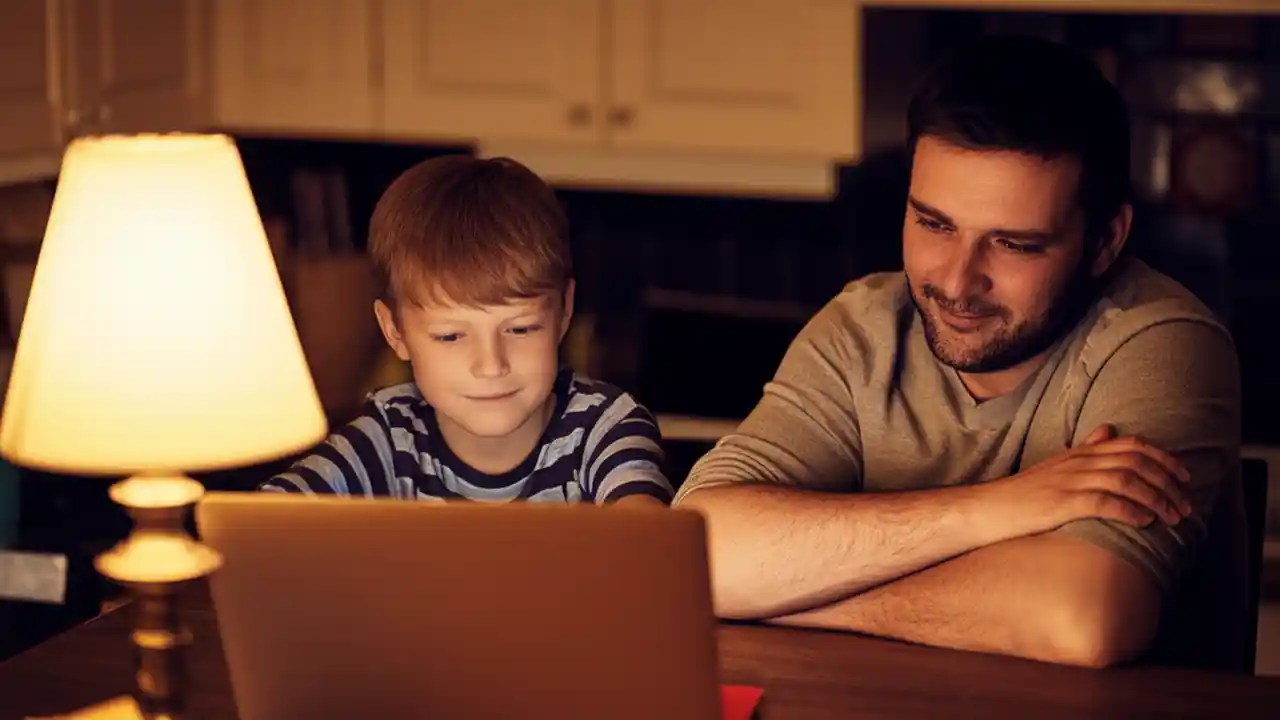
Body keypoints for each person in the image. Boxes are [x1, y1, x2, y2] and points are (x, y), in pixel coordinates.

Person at [674, 36, 1246, 669]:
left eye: (1014, 244)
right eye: (934, 224)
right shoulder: (864, 327)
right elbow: (696, 552)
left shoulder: (1161, 343)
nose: (955, 281)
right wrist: (1000, 508)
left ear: (1105, 241)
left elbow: (1085, 617)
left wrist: (792, 595)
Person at [262, 155, 673, 507]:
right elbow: (262, 521)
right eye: (451, 336)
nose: (491, 365)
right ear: (395, 332)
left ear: (564, 311)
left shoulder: (604, 427)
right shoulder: (387, 435)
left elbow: (647, 536)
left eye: (521, 328)